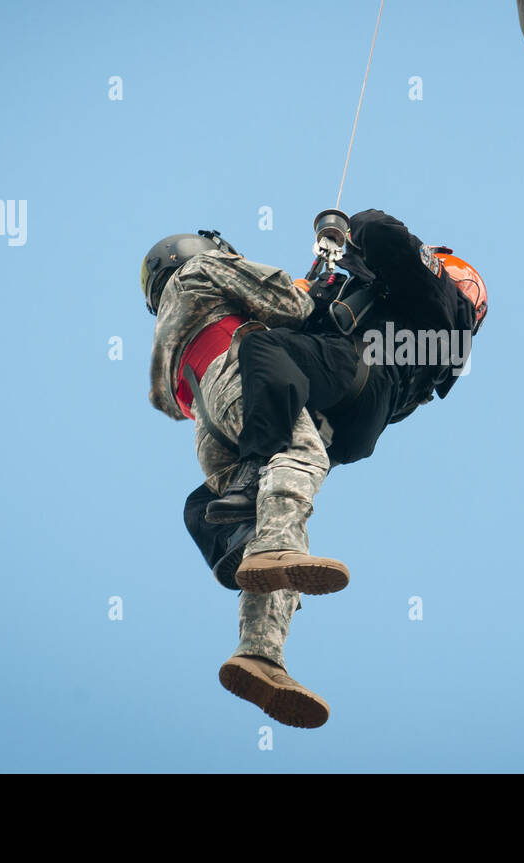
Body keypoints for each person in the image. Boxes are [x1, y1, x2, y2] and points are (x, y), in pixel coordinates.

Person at [142, 230, 346, 729]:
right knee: (299, 452)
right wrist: (313, 287)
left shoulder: (162, 339)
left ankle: (259, 654)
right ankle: (274, 546)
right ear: (193, 252)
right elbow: (290, 305)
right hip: (236, 376)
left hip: (207, 432)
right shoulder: (201, 270)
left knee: (268, 537)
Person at [204, 209, 488, 527]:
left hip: (355, 368)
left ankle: (255, 470)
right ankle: (250, 550)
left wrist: (343, 230)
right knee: (203, 504)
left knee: (263, 346)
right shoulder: (427, 351)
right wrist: (309, 298)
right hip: (354, 427)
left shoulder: (438, 294)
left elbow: (378, 228)